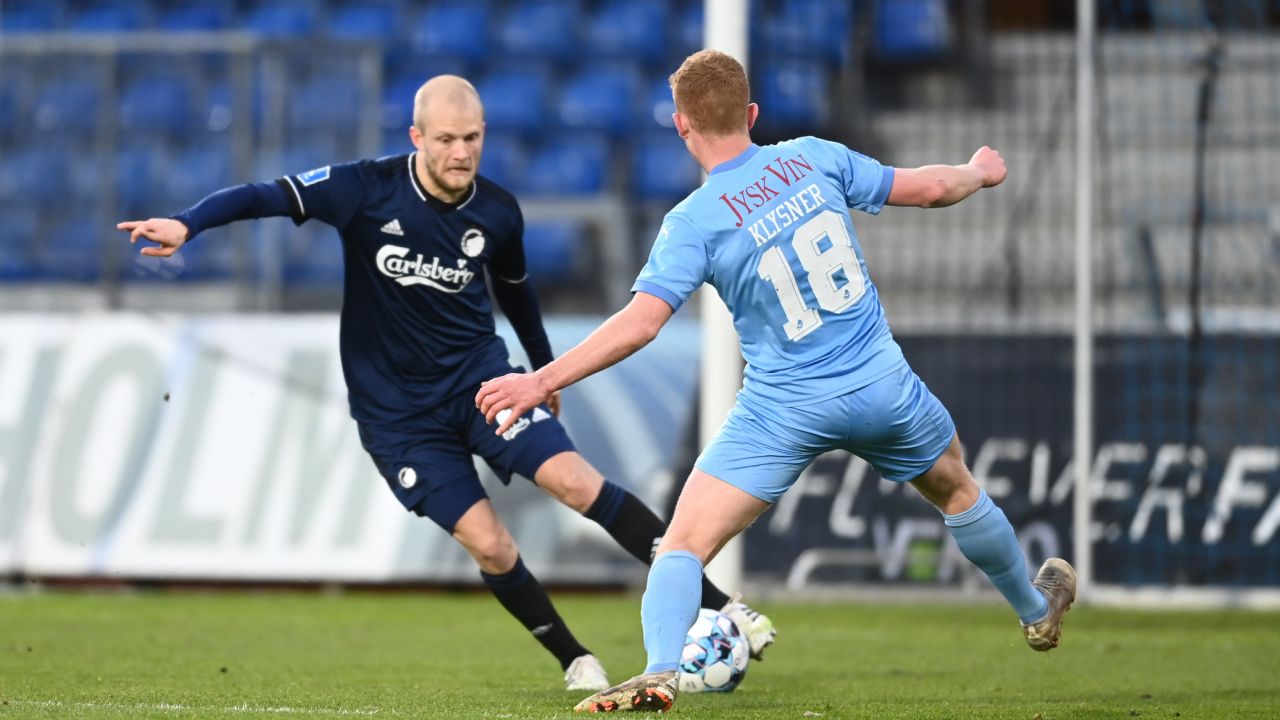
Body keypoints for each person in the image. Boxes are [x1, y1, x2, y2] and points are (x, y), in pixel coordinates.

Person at [116, 74, 775, 693]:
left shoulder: (498, 213)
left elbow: (516, 295)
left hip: (482, 384)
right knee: (489, 543)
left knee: (577, 482)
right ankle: (575, 657)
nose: (462, 153)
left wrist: (542, 372)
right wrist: (188, 223)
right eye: (447, 140)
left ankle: (724, 608)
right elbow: (265, 196)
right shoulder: (363, 189)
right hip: (398, 417)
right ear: (417, 138)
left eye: (473, 139)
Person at [474, 50, 1077, 713]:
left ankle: (660, 672)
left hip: (785, 409)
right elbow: (931, 188)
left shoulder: (694, 221)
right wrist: (977, 171)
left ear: (681, 126)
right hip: (881, 387)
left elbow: (643, 323)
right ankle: (1033, 610)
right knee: (956, 487)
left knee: (682, 545)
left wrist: (542, 379)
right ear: (752, 114)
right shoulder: (814, 156)